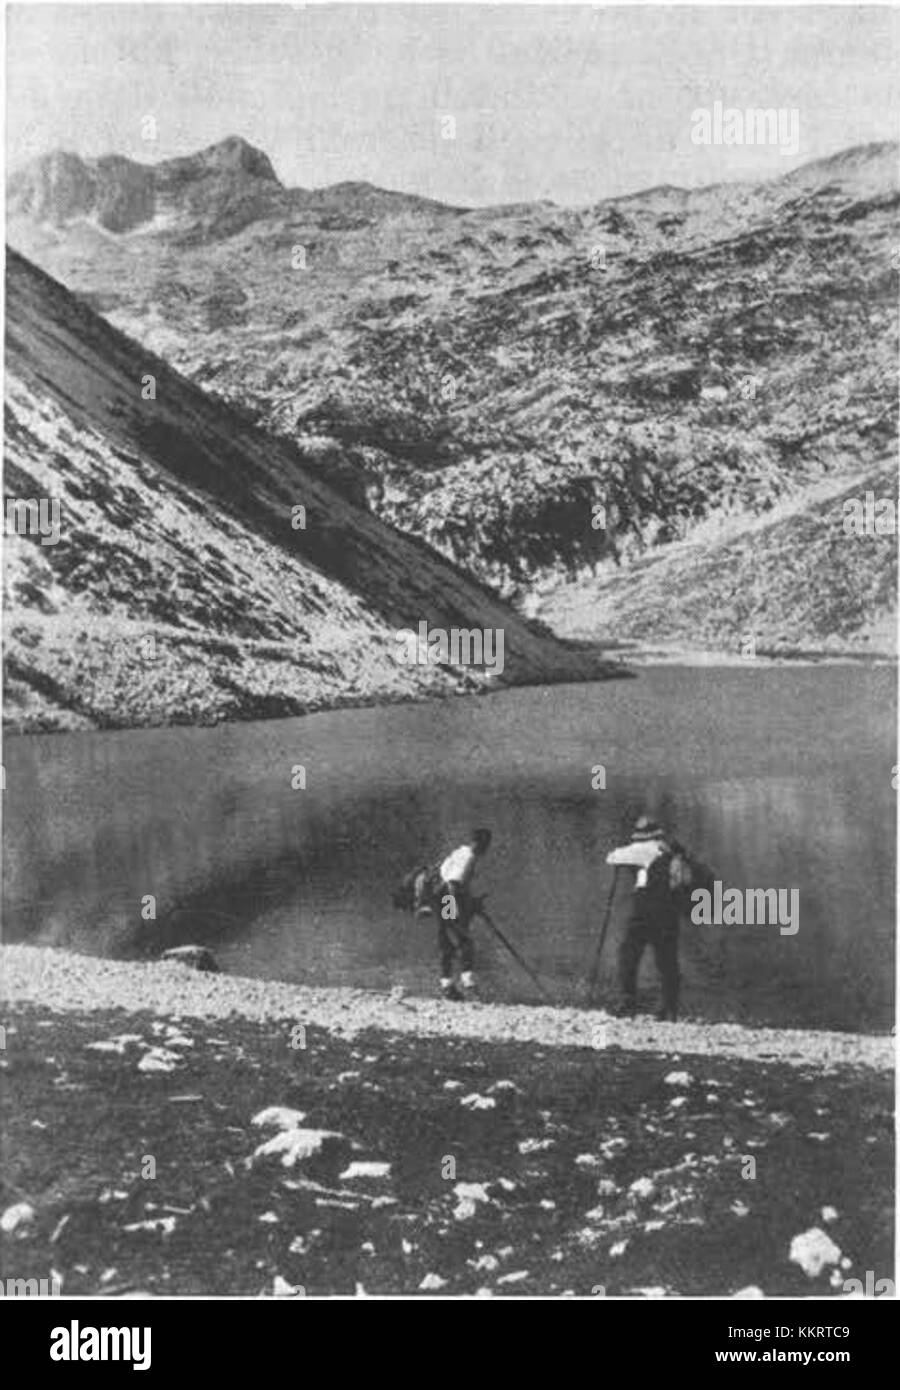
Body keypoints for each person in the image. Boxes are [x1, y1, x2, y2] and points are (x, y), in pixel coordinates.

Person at [605, 815, 692, 1022]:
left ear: (640, 837)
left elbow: (613, 857)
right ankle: (669, 1008)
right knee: (667, 960)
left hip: (645, 911)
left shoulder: (644, 850)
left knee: (628, 954)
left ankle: (628, 1002)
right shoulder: (669, 852)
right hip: (670, 911)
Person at [436, 828, 492, 1000]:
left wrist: (471, 902)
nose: (486, 849)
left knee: (449, 943)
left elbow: (454, 881)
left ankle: (447, 985)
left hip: (443, 897)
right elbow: (452, 883)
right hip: (448, 899)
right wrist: (454, 911)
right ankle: (467, 982)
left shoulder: (461, 851)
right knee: (464, 940)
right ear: (478, 843)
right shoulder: (468, 857)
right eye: (485, 845)